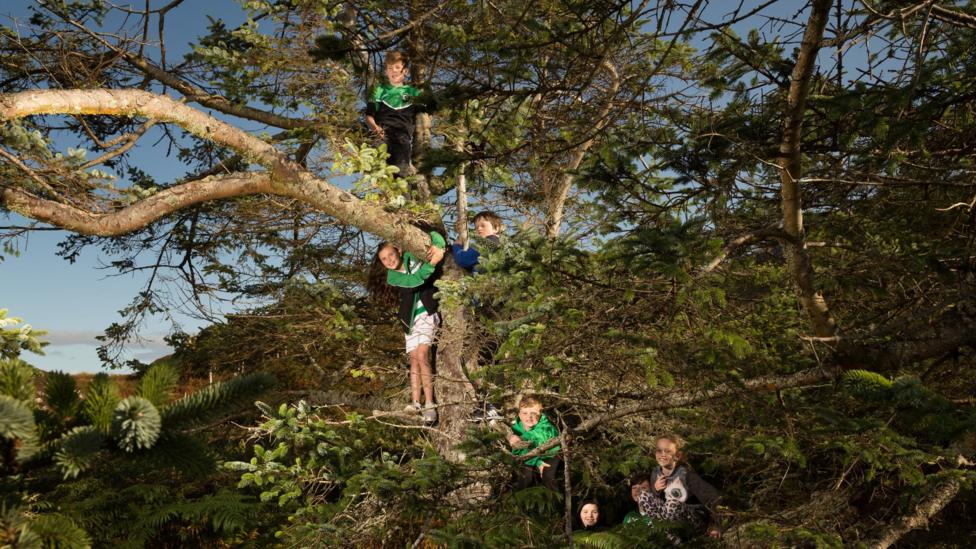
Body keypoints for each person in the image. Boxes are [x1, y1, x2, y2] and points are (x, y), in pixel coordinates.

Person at [369, 231, 445, 424]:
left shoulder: (412, 255)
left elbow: (434, 235)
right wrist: (432, 263)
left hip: (427, 314)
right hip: (409, 320)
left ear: (399, 251)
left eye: (391, 255)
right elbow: (414, 282)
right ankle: (415, 403)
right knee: (414, 360)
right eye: (384, 259)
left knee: (422, 355)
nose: (389, 260)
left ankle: (430, 404)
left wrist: (437, 246)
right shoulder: (393, 277)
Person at [637, 434, 723, 541]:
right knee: (643, 495)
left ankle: (677, 540)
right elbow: (655, 504)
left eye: (667, 451)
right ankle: (663, 534)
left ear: (678, 455)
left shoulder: (686, 475)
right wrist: (655, 489)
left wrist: (716, 525)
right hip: (668, 521)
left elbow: (714, 497)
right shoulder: (655, 473)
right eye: (659, 450)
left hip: (693, 520)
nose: (662, 454)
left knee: (672, 504)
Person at [365, 51, 432, 178]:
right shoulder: (378, 90)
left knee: (400, 175)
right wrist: (375, 128)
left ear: (405, 71)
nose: (394, 71)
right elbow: (369, 116)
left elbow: (426, 113)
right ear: (386, 71)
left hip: (402, 138)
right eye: (390, 68)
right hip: (381, 134)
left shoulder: (413, 92)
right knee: (377, 170)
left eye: (397, 67)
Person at [509, 396, 561, 491]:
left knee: (548, 476)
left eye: (533, 413)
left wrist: (521, 439)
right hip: (529, 455)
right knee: (524, 476)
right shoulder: (515, 428)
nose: (529, 417)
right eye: (525, 413)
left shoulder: (546, 427)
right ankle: (520, 497)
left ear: (540, 413)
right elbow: (518, 453)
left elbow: (537, 437)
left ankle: (555, 498)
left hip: (549, 454)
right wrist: (537, 462)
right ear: (519, 414)